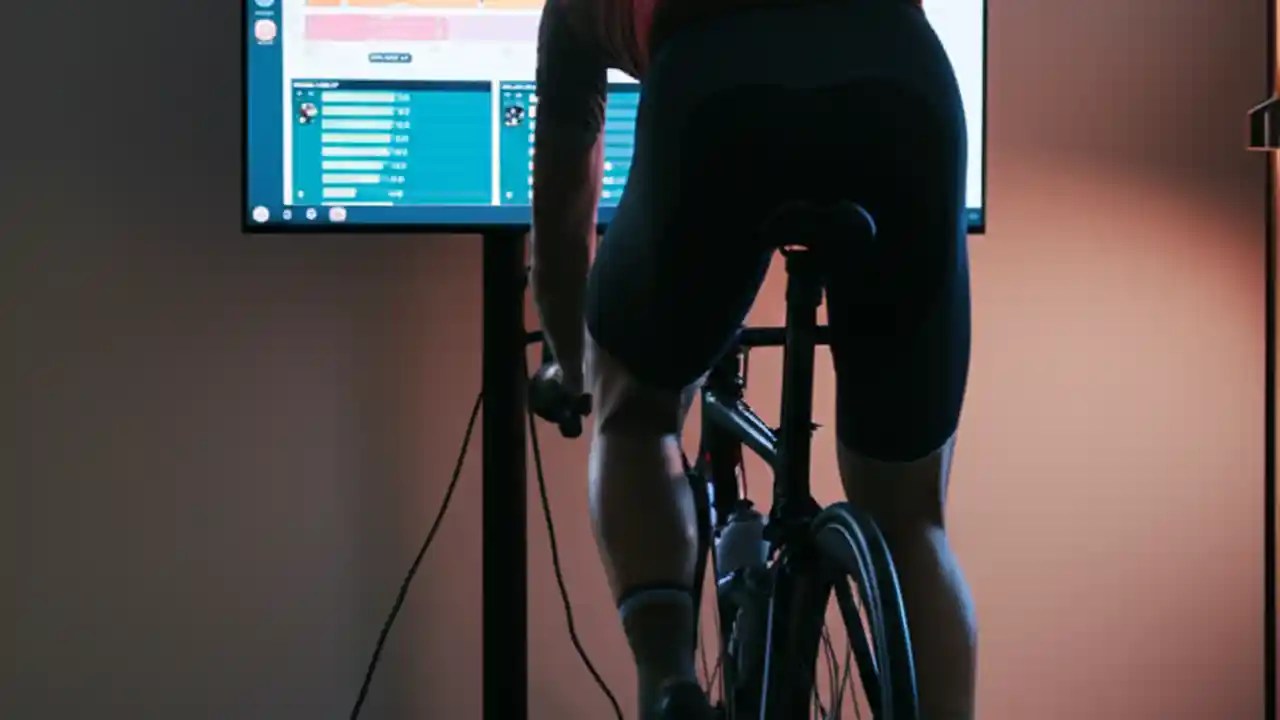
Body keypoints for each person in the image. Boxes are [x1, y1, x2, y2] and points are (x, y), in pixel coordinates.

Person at [527, 0, 976, 717]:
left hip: (718, 93)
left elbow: (563, 203)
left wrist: (576, 365)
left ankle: (667, 684)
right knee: (910, 519)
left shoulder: (572, 14)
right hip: (902, 86)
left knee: (636, 416)